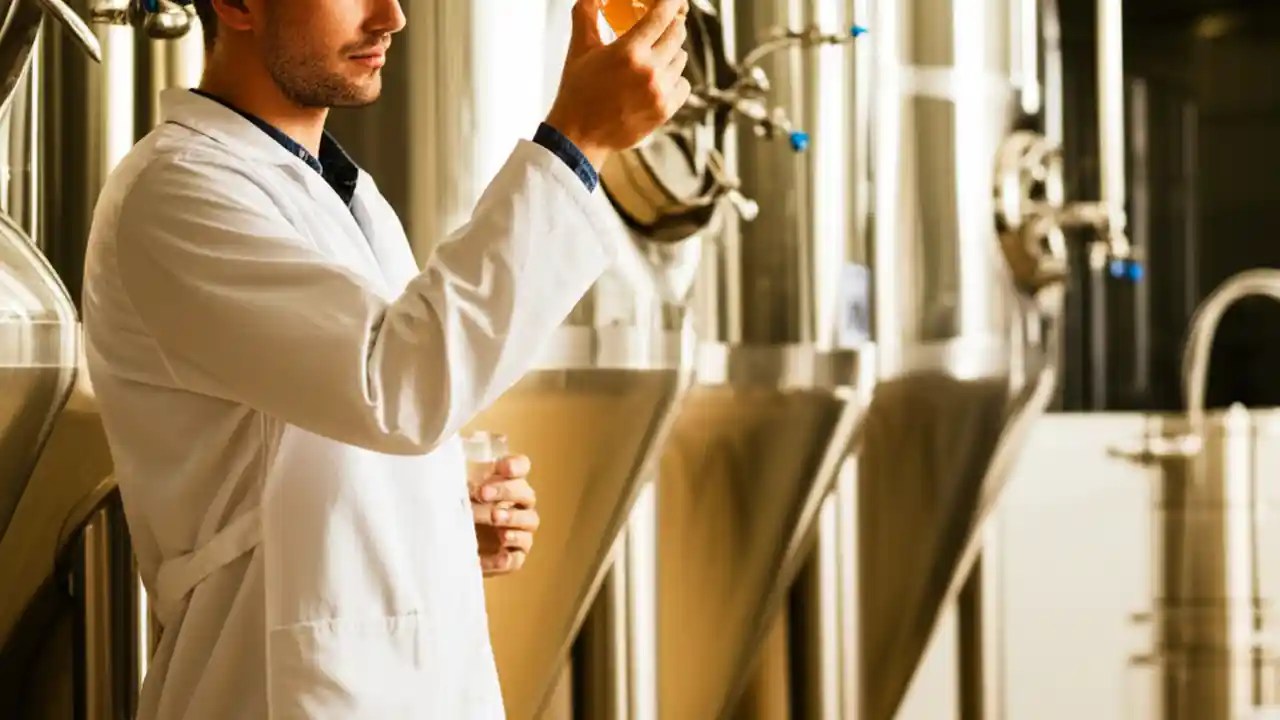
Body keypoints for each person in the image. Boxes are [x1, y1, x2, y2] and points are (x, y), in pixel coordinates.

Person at [79, 0, 691, 715]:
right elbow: (395, 387)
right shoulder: (178, 189)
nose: (392, 17)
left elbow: (340, 429)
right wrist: (578, 143)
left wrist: (431, 516)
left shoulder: (344, 193)